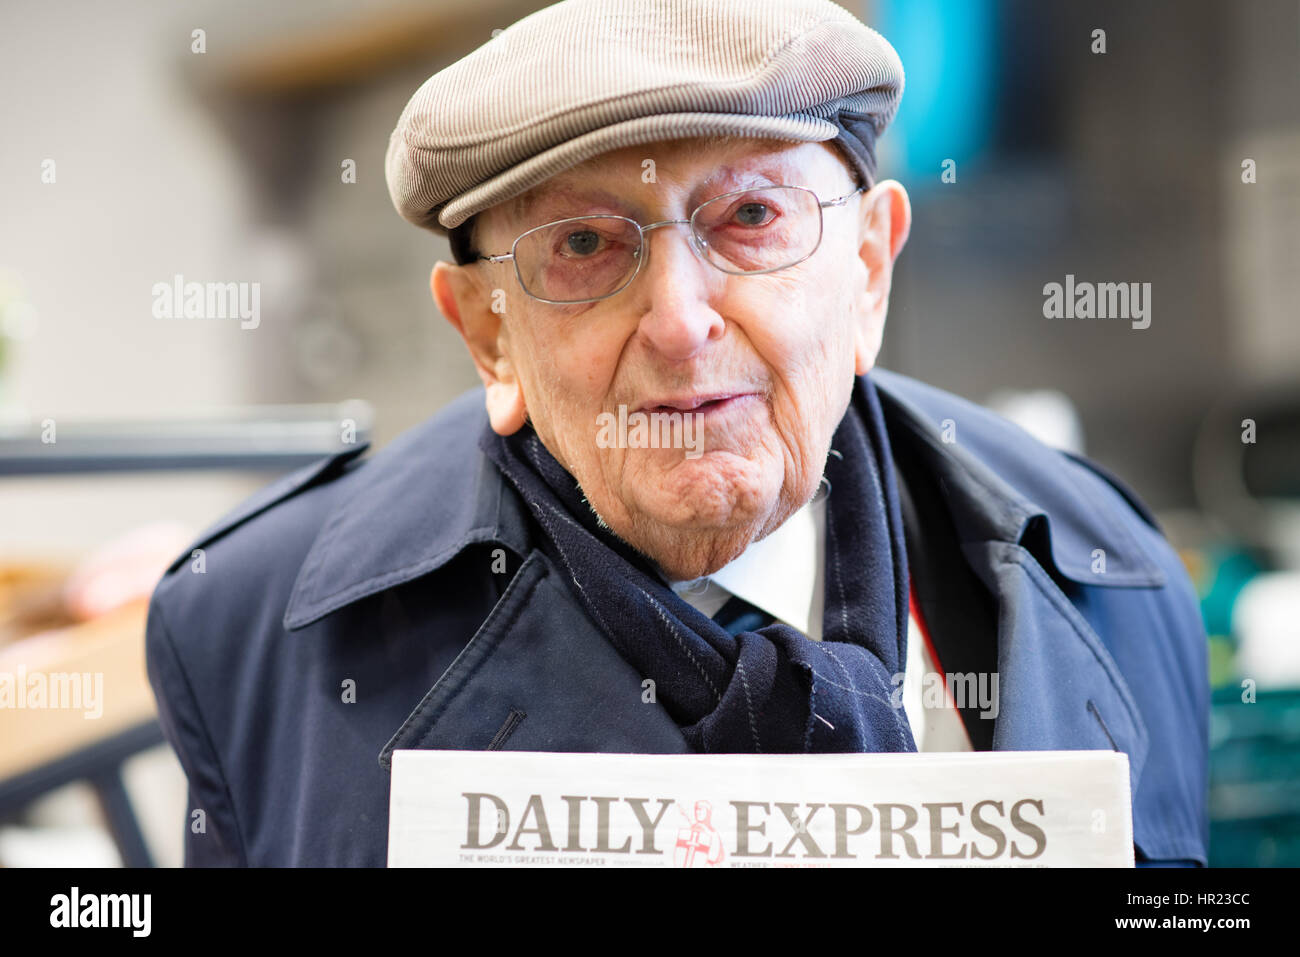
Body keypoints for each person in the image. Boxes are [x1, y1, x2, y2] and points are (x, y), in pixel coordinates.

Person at [146, 0, 1208, 866]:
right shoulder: (248, 630)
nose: (678, 321)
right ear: (487, 333)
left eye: (750, 218)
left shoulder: (1112, 580)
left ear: (869, 271)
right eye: (583, 244)